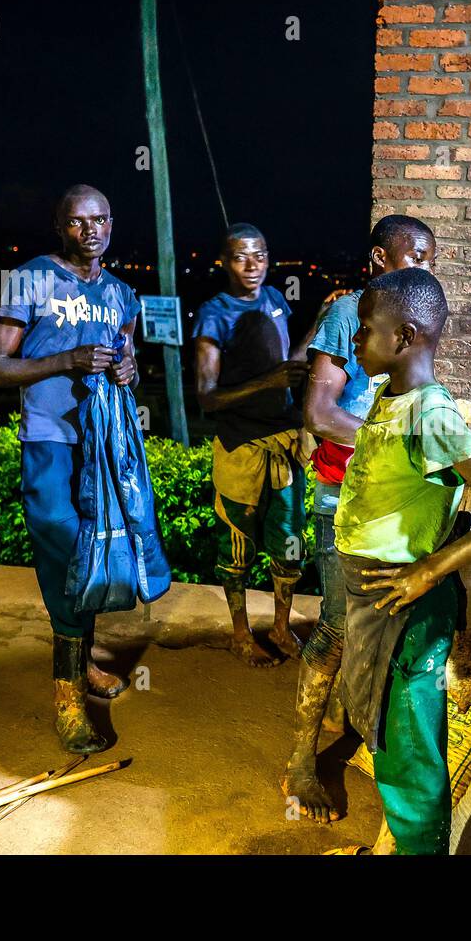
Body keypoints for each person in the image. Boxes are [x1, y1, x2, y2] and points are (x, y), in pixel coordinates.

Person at [335, 268, 471, 854]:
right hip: (376, 598)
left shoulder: (431, 414)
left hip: (408, 607)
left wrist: (429, 569)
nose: (355, 342)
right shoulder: (390, 397)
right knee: (389, 738)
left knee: (410, 753)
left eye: (363, 330)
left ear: (403, 336)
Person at [282, 215, 436, 825]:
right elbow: (320, 411)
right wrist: (392, 443)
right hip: (343, 499)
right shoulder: (348, 314)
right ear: (378, 256)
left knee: (380, 625)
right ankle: (299, 761)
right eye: (414, 254)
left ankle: (360, 726)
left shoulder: (413, 317)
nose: (425, 265)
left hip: (388, 504)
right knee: (338, 628)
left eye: (431, 256)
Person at [0, 184, 140, 754]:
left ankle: (85, 663)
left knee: (96, 550)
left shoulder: (123, 293)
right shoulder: (31, 279)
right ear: (59, 227)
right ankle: (68, 698)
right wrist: (63, 361)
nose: (90, 229)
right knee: (65, 551)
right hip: (50, 440)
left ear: (112, 224)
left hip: (102, 444)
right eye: (77, 221)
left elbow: (131, 363)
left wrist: (126, 371)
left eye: (100, 219)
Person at [193, 223, 309, 668]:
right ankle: (240, 634)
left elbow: (291, 368)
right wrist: (270, 380)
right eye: (241, 256)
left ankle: (280, 627)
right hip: (240, 445)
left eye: (260, 255)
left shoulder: (276, 300)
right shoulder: (213, 314)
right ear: (224, 261)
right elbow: (206, 396)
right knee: (237, 544)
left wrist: (321, 317)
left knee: (289, 541)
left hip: (283, 442)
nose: (253, 265)